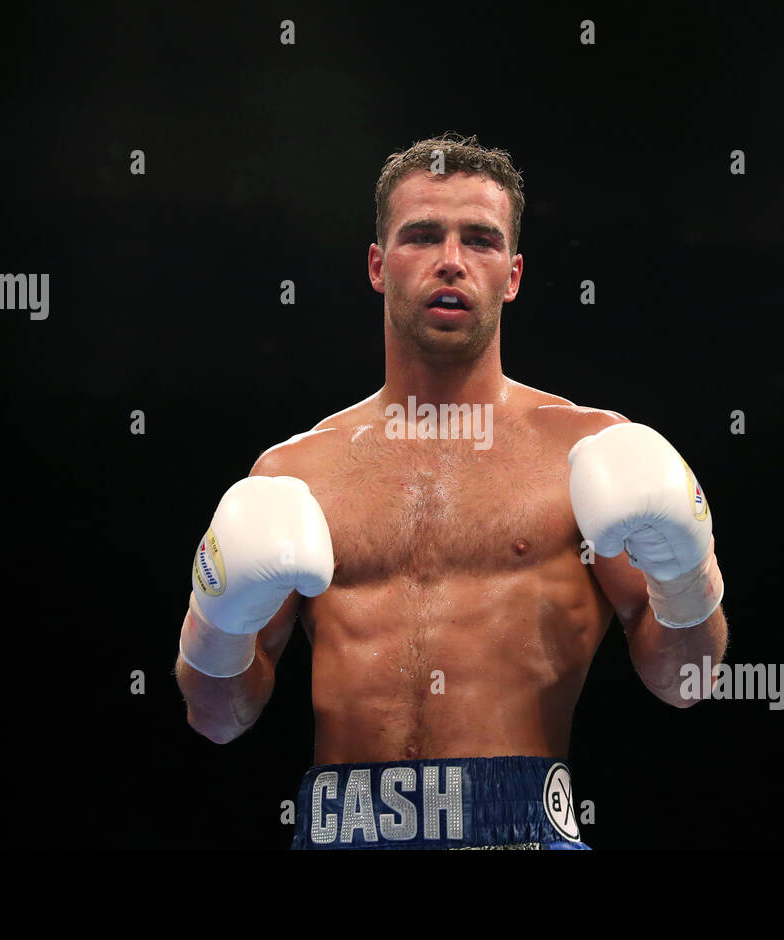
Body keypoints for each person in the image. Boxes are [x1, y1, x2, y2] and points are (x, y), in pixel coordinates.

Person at [174, 132, 729, 849]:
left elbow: (684, 684)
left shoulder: (584, 451)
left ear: (514, 274)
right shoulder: (296, 474)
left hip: (522, 827)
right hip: (341, 832)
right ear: (378, 265)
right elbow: (218, 719)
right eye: (422, 235)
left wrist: (687, 575)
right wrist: (214, 630)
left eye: (481, 240)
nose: (451, 261)